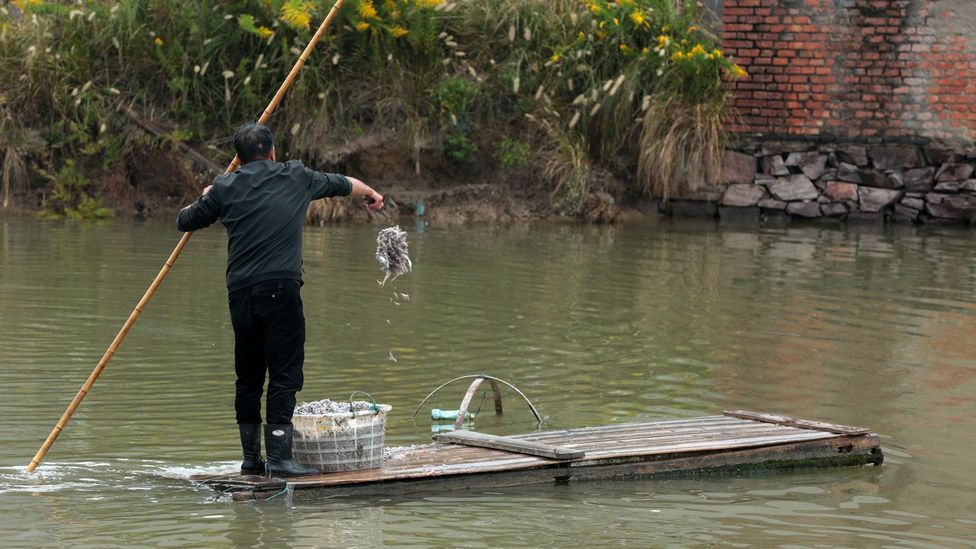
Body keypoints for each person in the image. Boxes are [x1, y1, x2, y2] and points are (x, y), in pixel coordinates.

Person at [176, 123, 384, 476]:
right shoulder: (296, 176)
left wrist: (208, 195)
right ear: (273, 152)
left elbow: (184, 221)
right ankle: (279, 460)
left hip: (241, 294)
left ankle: (250, 459)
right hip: (280, 290)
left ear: (239, 158)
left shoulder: (225, 187)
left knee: (248, 376)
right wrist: (371, 194)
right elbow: (343, 183)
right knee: (284, 373)